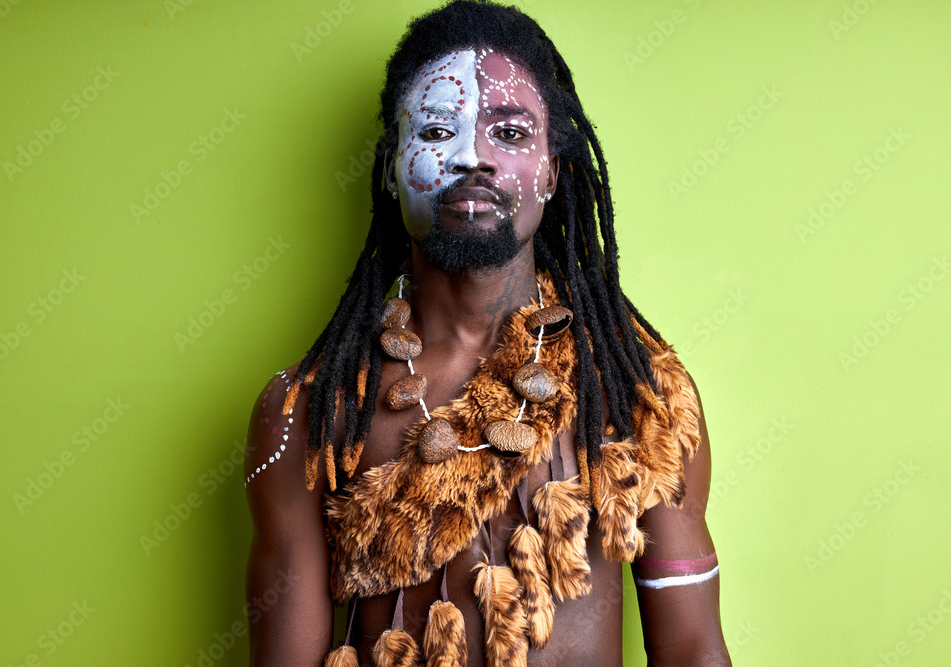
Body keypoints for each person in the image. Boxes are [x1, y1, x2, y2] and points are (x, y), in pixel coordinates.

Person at [244, 1, 730, 665]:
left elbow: (695, 650)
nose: (474, 158)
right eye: (439, 131)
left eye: (508, 132)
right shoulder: (307, 414)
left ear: (553, 171)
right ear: (392, 169)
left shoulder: (637, 389)